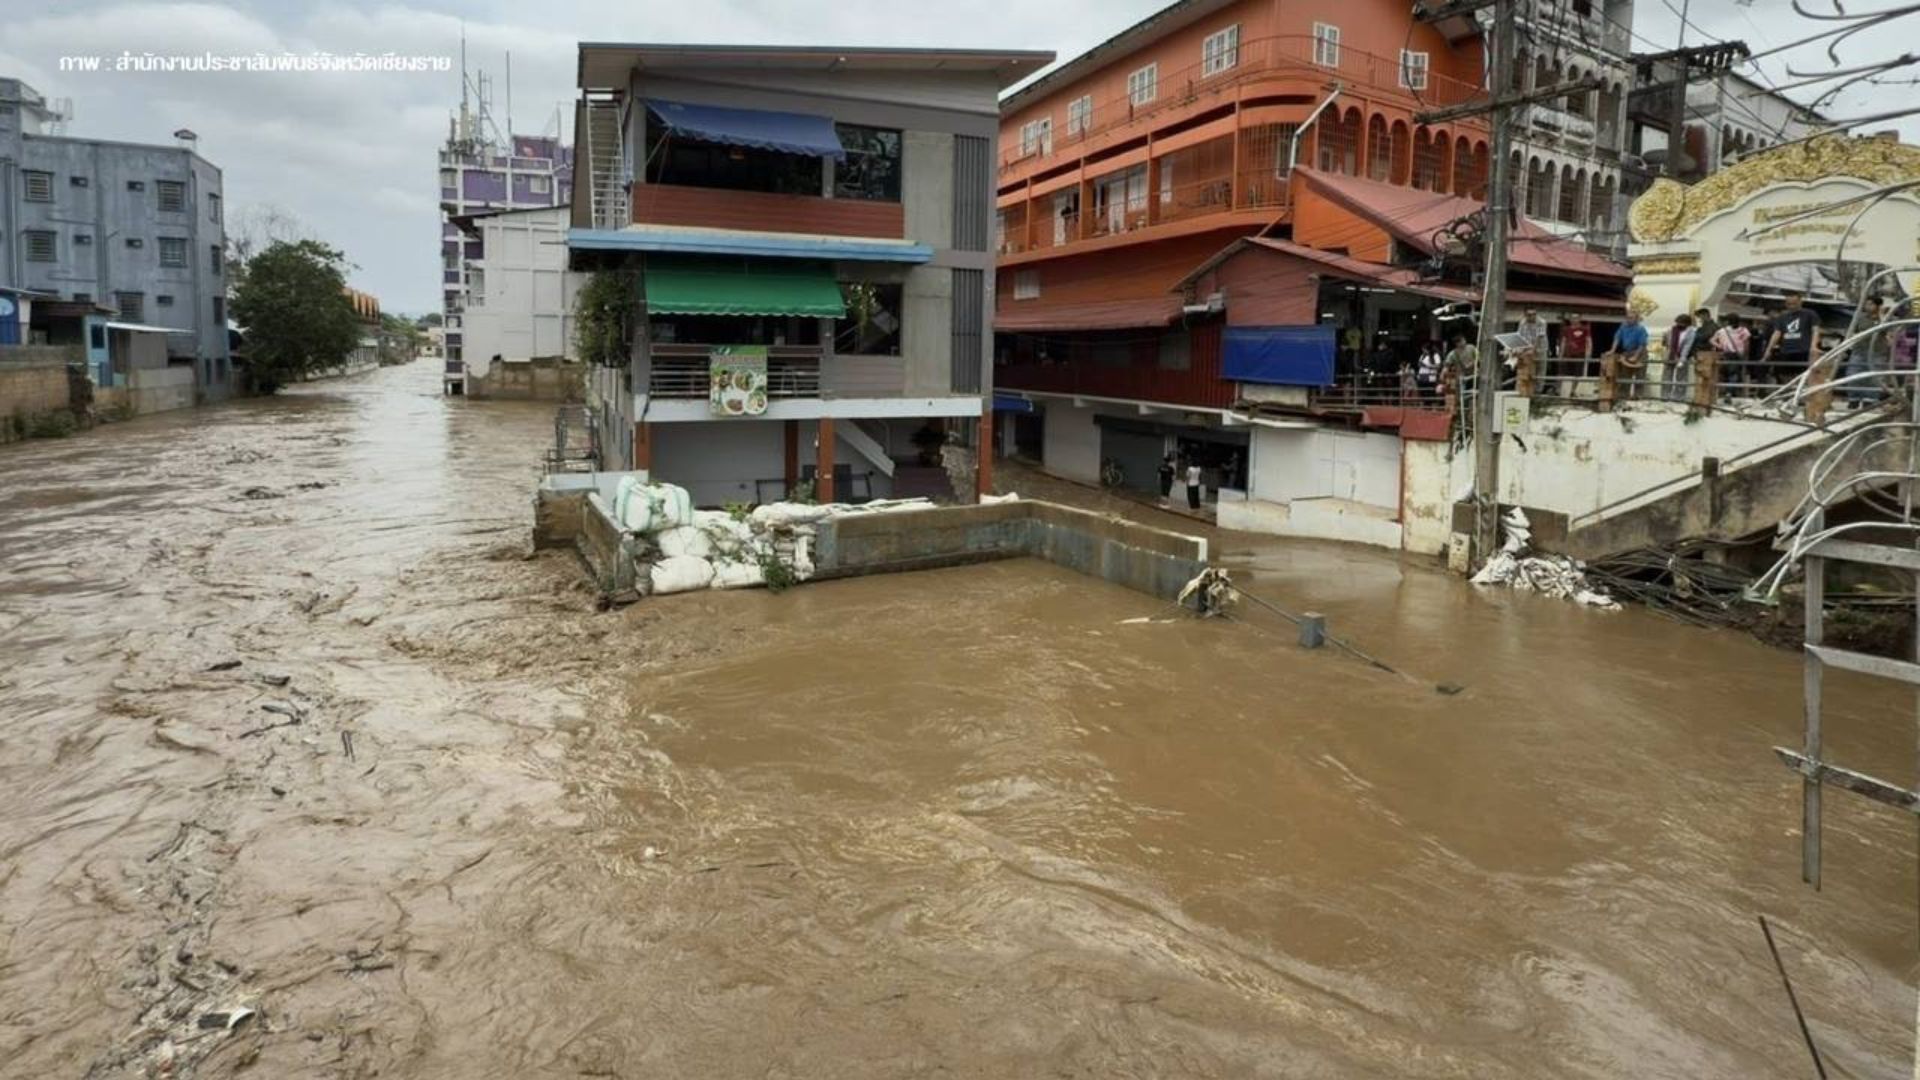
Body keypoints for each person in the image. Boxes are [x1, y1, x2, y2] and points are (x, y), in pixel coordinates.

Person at [1760, 290, 1821, 391]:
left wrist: (1814, 346)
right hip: (1786, 350)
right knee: (1784, 375)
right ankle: (1790, 394)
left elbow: (1815, 330)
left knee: (1804, 375)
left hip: (1803, 350)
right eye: (1789, 304)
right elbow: (1777, 334)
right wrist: (1768, 350)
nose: (1791, 306)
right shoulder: (1782, 317)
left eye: (1794, 303)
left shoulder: (1809, 314)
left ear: (1800, 302)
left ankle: (1802, 395)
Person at [1839, 295, 1887, 406]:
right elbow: (1851, 332)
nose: (1867, 307)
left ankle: (1870, 400)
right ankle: (1854, 398)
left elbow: (1888, 330)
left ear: (1878, 306)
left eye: (1870, 304)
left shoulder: (1885, 318)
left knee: (1874, 378)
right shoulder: (1860, 318)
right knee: (1853, 374)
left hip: (1877, 352)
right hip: (1859, 351)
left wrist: (1882, 315)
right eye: (1866, 304)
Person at [1609, 310, 1649, 399]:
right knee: (1625, 374)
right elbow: (1617, 338)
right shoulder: (1623, 327)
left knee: (1640, 375)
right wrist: (1612, 350)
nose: (1628, 319)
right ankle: (1623, 395)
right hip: (1627, 351)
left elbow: (1642, 344)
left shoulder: (1641, 329)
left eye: (1631, 318)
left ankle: (1638, 395)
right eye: (1627, 317)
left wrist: (1636, 356)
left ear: (1636, 319)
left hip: (1640, 351)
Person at [1710, 314, 1752, 399]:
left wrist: (1720, 346)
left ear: (1727, 321)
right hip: (1737, 355)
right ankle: (1729, 392)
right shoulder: (1744, 331)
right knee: (1734, 374)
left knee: (1723, 373)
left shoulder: (1722, 331)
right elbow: (1747, 344)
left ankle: (1721, 392)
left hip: (1724, 354)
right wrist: (1745, 355)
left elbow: (1711, 340)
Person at [1662, 313, 1696, 402]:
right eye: (1677, 323)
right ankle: (1665, 396)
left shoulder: (1691, 332)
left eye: (1681, 323)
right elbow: (1665, 341)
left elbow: (1687, 346)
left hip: (1683, 356)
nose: (1678, 325)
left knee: (1681, 377)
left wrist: (1682, 359)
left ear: (1687, 324)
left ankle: (1679, 397)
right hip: (1670, 355)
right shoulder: (1671, 330)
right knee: (1667, 376)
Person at [1514, 308, 1548, 394]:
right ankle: (1523, 390)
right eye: (1529, 315)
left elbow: (1539, 337)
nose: (1532, 316)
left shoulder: (1541, 322)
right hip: (1525, 349)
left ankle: (1538, 390)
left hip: (1540, 349)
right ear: (1525, 315)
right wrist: (1518, 349)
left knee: (1540, 369)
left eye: (1534, 314)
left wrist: (1533, 349)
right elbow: (1520, 336)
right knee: (1525, 369)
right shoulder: (1522, 322)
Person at [1561, 312, 1593, 378]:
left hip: (1580, 354)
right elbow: (1563, 341)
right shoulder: (1566, 329)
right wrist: (1561, 353)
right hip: (1569, 354)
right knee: (1568, 374)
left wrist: (1589, 353)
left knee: (1578, 374)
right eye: (1572, 318)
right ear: (1570, 319)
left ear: (1579, 319)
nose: (1574, 320)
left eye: (1576, 318)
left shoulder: (1584, 329)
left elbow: (1589, 341)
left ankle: (1577, 387)